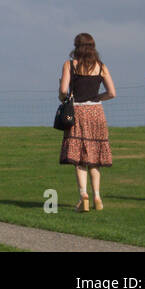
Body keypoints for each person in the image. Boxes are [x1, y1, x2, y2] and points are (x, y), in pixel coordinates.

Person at [58, 33, 115, 211]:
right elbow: (112, 93)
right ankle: (97, 196)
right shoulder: (101, 67)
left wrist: (63, 99)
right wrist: (98, 97)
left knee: (80, 157)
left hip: (78, 111)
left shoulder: (70, 65)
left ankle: (84, 195)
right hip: (97, 112)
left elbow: (63, 90)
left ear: (76, 46)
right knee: (95, 157)